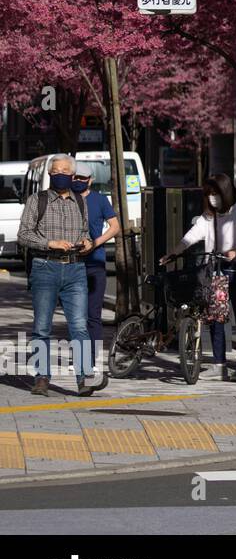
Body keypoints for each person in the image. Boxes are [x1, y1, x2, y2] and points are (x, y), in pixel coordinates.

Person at [160, 173, 236, 382]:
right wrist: (174, 253)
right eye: (209, 194)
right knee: (217, 319)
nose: (212, 198)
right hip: (216, 272)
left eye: (215, 193)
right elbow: (189, 237)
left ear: (225, 193)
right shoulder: (208, 217)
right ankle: (219, 365)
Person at [17, 154, 103, 396]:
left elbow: (85, 231)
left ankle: (84, 377)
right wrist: (49, 243)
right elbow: (23, 235)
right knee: (42, 327)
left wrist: (86, 243)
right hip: (45, 267)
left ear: (72, 175)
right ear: (50, 175)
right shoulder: (37, 200)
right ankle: (42, 377)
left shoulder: (79, 201)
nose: (59, 175)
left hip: (76, 269)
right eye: (55, 172)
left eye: (64, 171)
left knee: (79, 326)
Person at [72, 163, 120, 375]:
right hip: (71, 264)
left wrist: (96, 242)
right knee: (76, 315)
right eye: (75, 177)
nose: (78, 181)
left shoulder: (100, 200)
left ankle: (91, 359)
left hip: (95, 264)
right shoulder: (65, 198)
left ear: (90, 180)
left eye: (82, 178)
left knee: (93, 314)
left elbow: (115, 227)